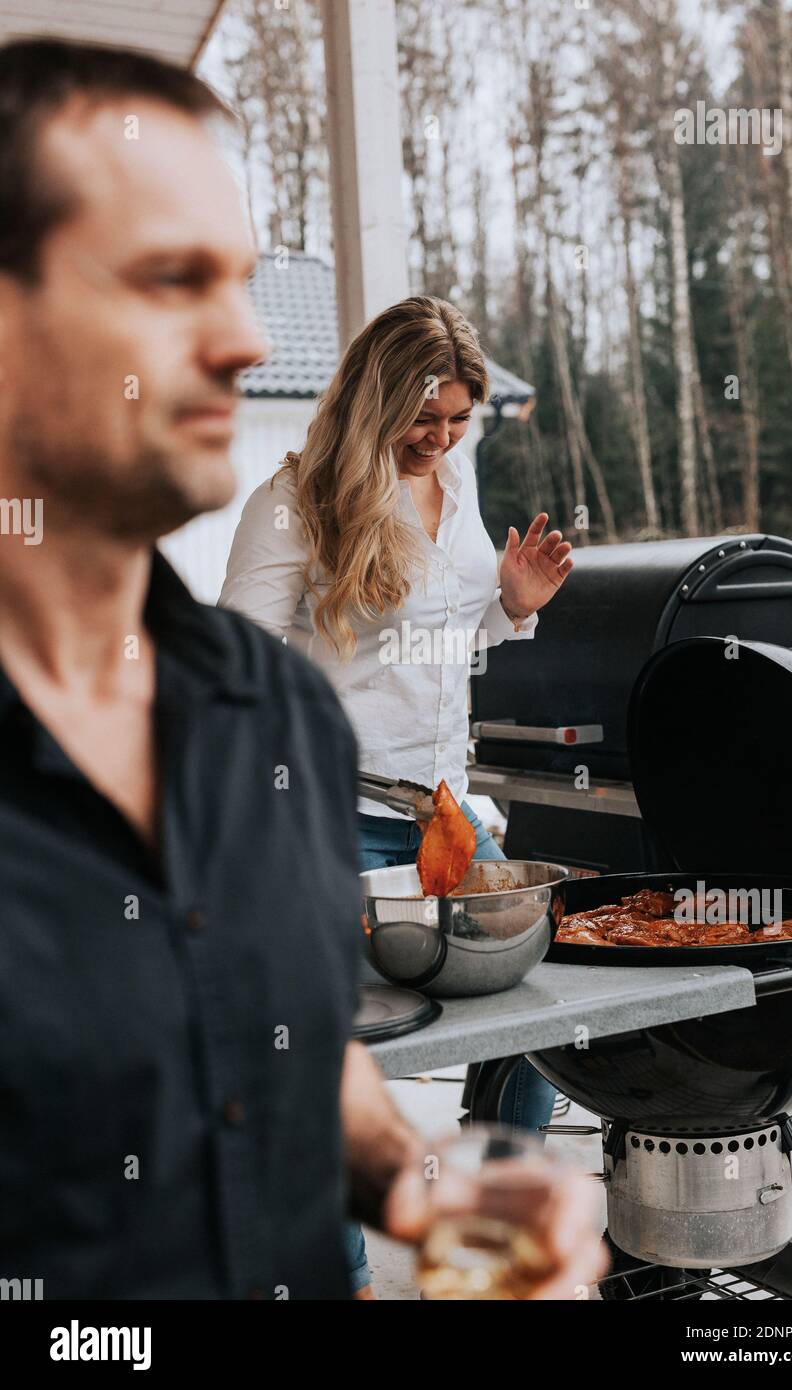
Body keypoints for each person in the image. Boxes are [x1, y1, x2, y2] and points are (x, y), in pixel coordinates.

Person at [0, 37, 605, 1300]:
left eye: (235, 280)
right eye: (171, 279)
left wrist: (419, 1193)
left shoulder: (261, 718)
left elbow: (292, 1043)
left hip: (439, 806)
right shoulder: (287, 531)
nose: (235, 335)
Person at [220, 297, 572, 1295]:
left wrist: (507, 606)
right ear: (377, 399)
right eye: (425, 418)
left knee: (532, 1021)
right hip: (330, 817)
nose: (442, 438)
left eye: (459, 419)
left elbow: (438, 644)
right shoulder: (291, 505)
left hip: (448, 816)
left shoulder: (454, 484)